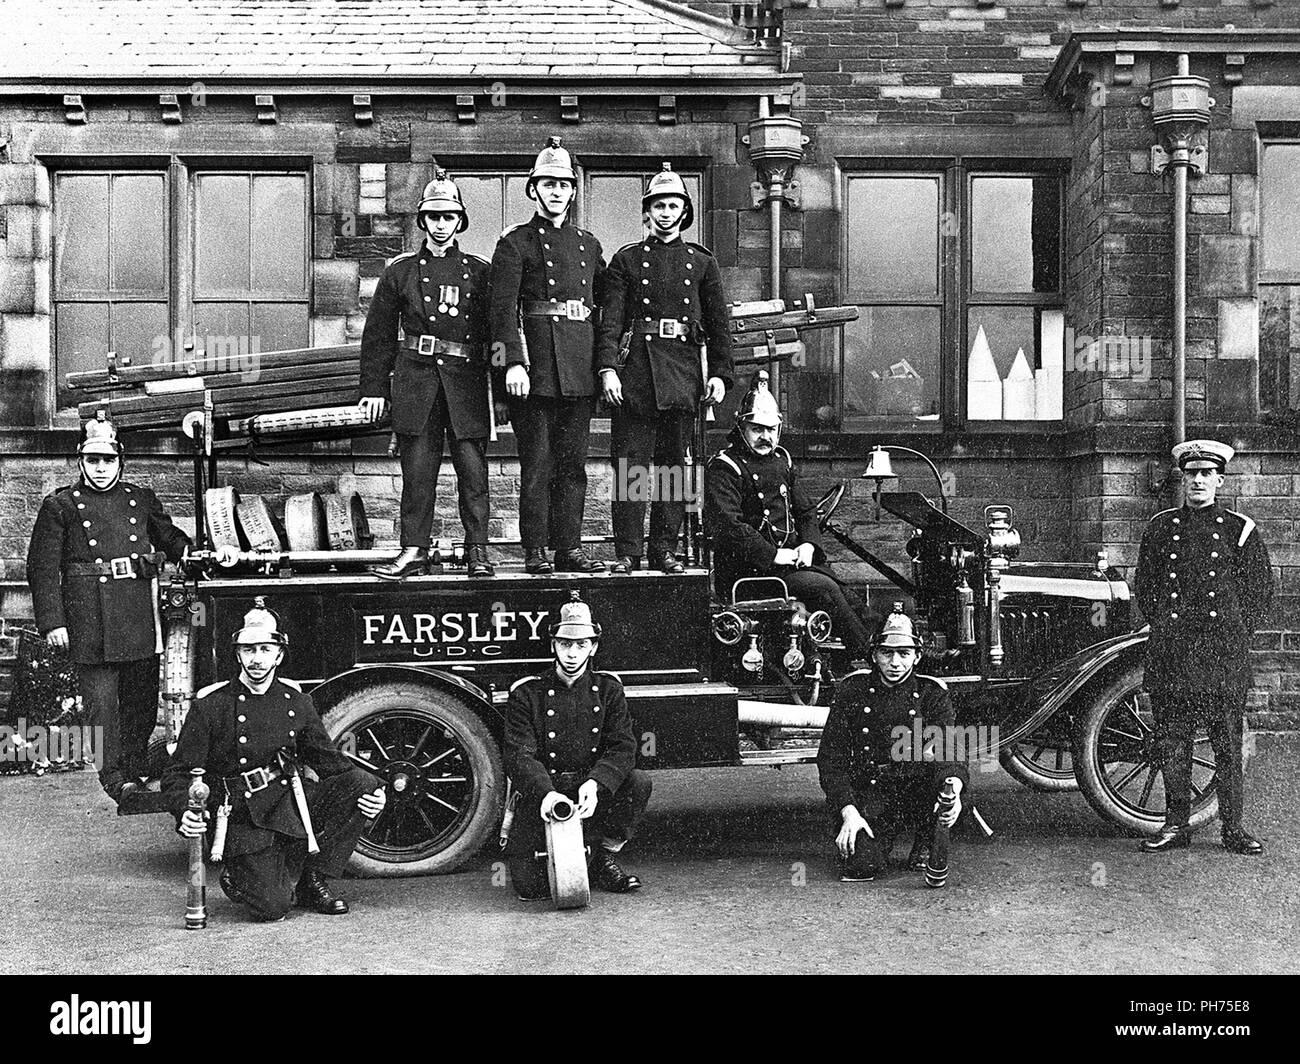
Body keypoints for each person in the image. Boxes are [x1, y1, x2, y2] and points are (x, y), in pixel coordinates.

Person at [165, 599, 386, 921]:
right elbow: (178, 774)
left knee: (360, 784)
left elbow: (329, 762)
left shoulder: (296, 702)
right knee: (273, 908)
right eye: (248, 650)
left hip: (287, 800)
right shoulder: (211, 706)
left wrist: (375, 791)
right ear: (238, 654)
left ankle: (313, 880)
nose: (257, 659)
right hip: (240, 813)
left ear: (279, 655)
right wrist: (184, 811)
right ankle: (240, 874)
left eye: (265, 650)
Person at [25, 411, 193, 807]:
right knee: (101, 708)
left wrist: (192, 552)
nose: (101, 468)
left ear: (120, 460)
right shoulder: (61, 505)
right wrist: (53, 623)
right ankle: (115, 780)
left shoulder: (140, 499)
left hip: (137, 613)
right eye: (93, 460)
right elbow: (42, 569)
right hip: (89, 621)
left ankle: (133, 771)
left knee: (141, 703)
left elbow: (170, 538)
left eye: (108, 460)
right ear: (81, 461)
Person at [1135, 439, 1275, 856]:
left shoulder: (1239, 529)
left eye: (1206, 474)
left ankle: (1233, 828)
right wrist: (1165, 625)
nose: (1198, 480)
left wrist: (1234, 635)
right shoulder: (1161, 527)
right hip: (1174, 651)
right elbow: (1146, 587)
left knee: (1227, 744)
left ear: (1219, 480)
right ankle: (1176, 824)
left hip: (1221, 654)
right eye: (1191, 473)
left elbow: (1259, 592)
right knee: (1173, 742)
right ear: (1182, 479)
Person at [359, 169, 496, 580]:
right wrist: (374, 389)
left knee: (473, 474)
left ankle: (477, 552)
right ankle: (414, 551)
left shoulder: (480, 271)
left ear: (460, 221)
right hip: (416, 383)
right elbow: (379, 335)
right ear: (423, 220)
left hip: (467, 384)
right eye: (433, 216)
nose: (440, 224)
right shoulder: (400, 271)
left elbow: (498, 333)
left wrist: (502, 395)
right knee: (418, 475)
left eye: (448, 216)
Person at [596, 163, 733, 574]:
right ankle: (628, 551)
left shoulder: (702, 263)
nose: (666, 213)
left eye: (673, 206)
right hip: (637, 375)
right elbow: (610, 322)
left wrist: (719, 374)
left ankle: (664, 550)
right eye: (658, 205)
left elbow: (719, 325)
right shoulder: (627, 260)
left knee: (674, 467)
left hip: (683, 375)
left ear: (684, 211)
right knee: (632, 467)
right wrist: (607, 369)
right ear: (647, 212)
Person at [489, 136, 607, 574]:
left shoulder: (589, 245)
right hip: (534, 370)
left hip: (578, 368)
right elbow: (501, 311)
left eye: (563, 185)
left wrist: (604, 365)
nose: (556, 192)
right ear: (533, 189)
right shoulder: (515, 243)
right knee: (537, 463)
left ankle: (568, 548)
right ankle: (535, 549)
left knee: (573, 465)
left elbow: (607, 307)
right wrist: (511, 363)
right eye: (548, 184)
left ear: (573, 192)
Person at [704, 371, 877, 659]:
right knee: (824, 587)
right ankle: (867, 654)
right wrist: (774, 555)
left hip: (787, 565)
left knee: (844, 591)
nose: (766, 437)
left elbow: (806, 510)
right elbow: (729, 527)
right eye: (757, 429)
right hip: (749, 573)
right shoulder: (725, 467)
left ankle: (888, 645)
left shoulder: (781, 461)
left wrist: (808, 544)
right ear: (741, 427)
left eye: (771, 430)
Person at [502, 598, 652, 900]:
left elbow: (623, 746)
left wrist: (596, 784)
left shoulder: (608, 689)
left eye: (581, 645)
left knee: (638, 782)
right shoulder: (527, 692)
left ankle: (602, 857)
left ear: (593, 648)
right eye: (565, 644)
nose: (572, 654)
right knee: (531, 889)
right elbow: (518, 755)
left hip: (589, 789)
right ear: (553, 645)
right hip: (545, 791)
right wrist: (546, 793)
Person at [816, 609, 968, 882]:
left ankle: (926, 837)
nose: (895, 662)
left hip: (917, 791)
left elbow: (948, 748)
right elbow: (831, 759)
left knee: (945, 791)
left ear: (917, 656)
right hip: (871, 792)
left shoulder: (931, 693)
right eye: (887, 653)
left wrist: (954, 788)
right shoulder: (852, 690)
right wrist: (848, 811)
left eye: (904, 653)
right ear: (874, 655)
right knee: (862, 865)